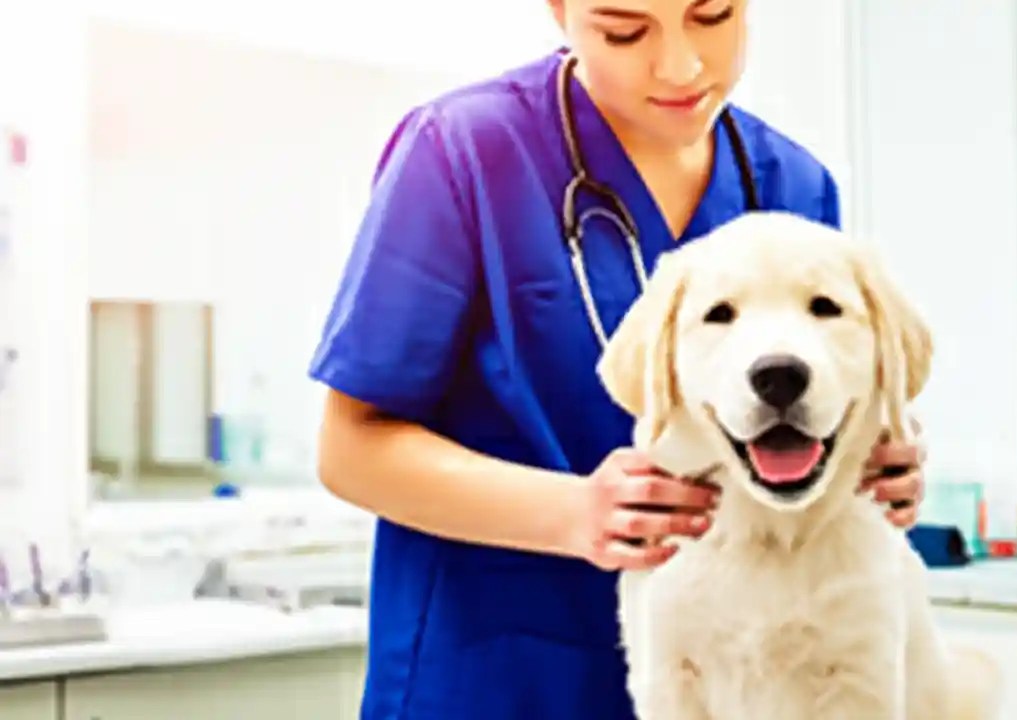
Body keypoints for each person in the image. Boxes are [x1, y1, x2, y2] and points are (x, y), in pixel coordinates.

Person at [309, 0, 927, 717]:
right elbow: (349, 448)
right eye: (624, 30)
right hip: (496, 672)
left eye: (713, 15)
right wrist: (575, 514)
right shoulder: (463, 152)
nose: (682, 65)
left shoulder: (791, 185)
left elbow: (817, 392)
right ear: (559, 10)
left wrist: (862, 448)